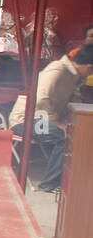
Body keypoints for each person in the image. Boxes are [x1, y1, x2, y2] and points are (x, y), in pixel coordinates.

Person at [9, 43, 93, 192]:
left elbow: (73, 102)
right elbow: (42, 99)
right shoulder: (57, 70)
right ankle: (49, 184)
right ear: (89, 67)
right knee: (65, 137)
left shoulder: (74, 76)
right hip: (26, 120)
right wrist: (59, 123)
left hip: (43, 120)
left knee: (78, 133)